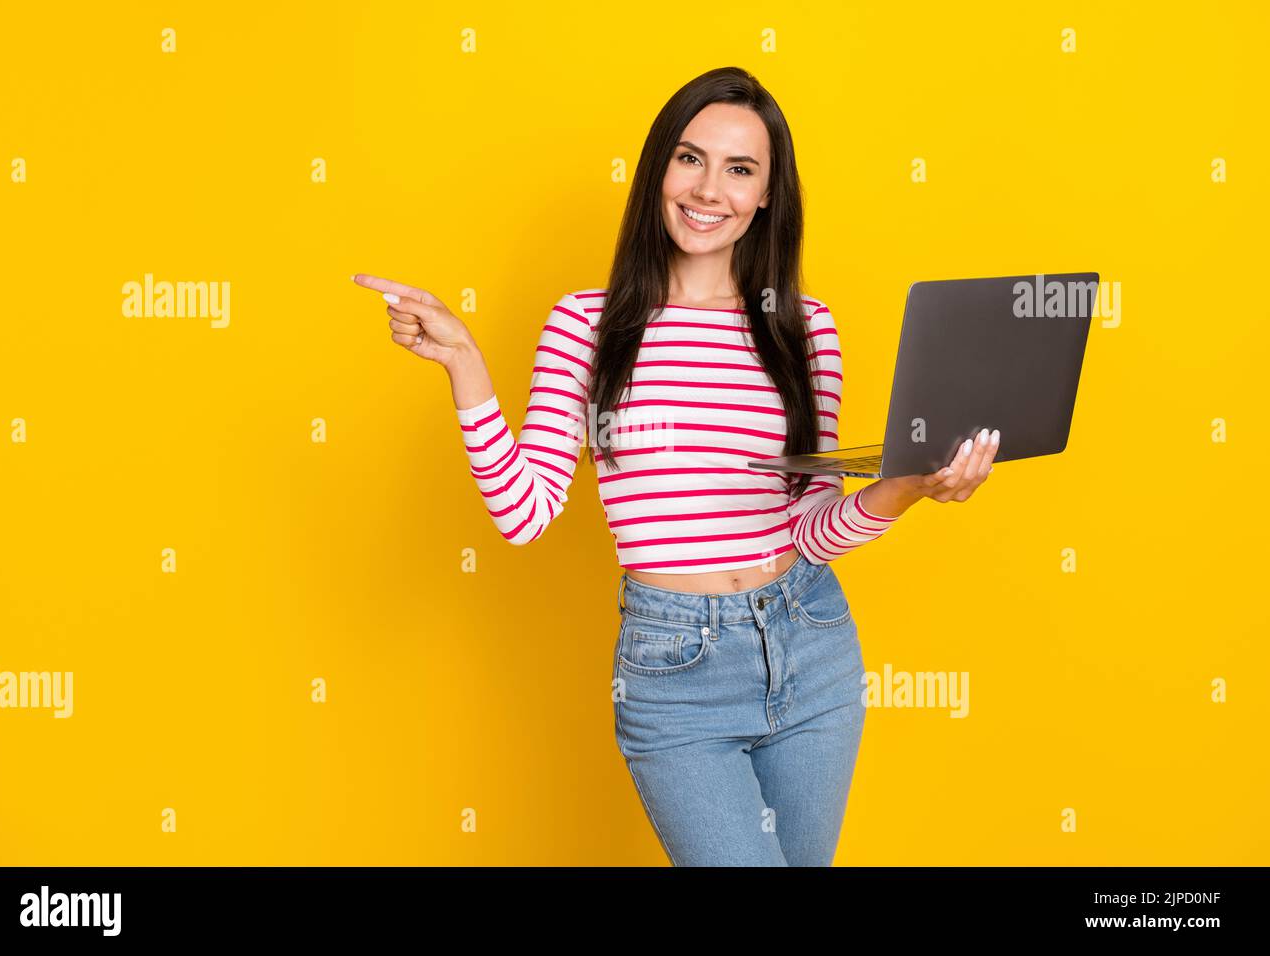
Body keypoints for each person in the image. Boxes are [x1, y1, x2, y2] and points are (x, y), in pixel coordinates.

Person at [352, 66, 999, 866]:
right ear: (659, 167)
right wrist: (465, 367)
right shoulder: (587, 325)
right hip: (674, 670)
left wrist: (906, 490)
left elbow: (811, 529)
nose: (709, 189)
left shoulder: (805, 330)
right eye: (690, 158)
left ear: (767, 194)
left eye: (740, 169)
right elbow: (525, 514)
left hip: (811, 641)